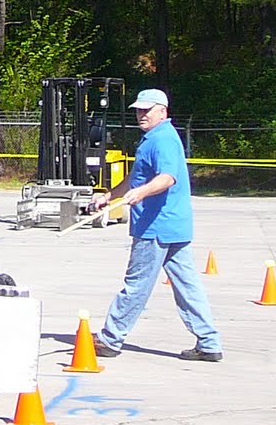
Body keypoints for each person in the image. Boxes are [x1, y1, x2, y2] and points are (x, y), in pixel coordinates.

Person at [90, 88, 223, 362]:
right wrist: (110, 196)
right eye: (139, 110)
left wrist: (140, 194)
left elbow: (167, 178)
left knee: (136, 285)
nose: (141, 115)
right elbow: (137, 177)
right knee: (188, 286)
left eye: (147, 110)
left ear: (162, 111)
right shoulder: (153, 139)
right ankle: (209, 342)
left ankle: (110, 338)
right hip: (174, 226)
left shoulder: (162, 139)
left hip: (156, 227)